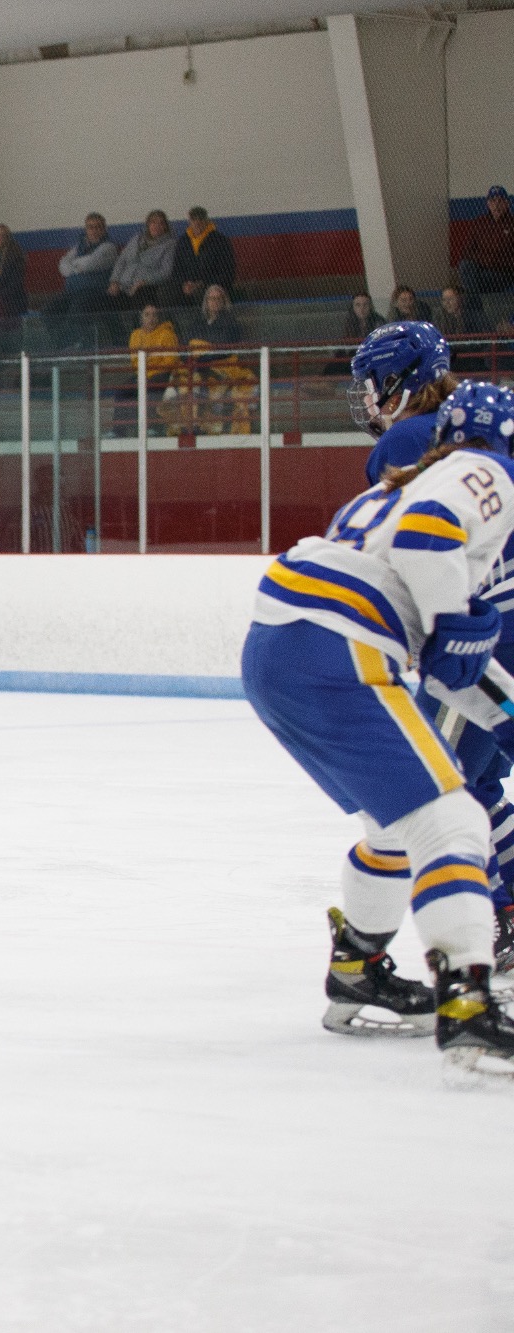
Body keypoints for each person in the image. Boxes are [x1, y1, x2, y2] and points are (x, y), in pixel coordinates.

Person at [241, 379, 514, 1072]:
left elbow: (449, 659)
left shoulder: (396, 485)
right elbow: (430, 545)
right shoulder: (489, 470)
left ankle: (358, 969)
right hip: (339, 640)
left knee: (394, 823)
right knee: (453, 820)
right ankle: (468, 1000)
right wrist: (456, 622)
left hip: (280, 643)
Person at [352, 321, 457, 483]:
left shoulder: (402, 438)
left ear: (391, 383)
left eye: (370, 386)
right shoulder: (463, 420)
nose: (367, 398)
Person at [46, 213, 118, 346]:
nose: (94, 230)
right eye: (91, 227)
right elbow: (63, 265)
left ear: (104, 229)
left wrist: (73, 267)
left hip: (96, 293)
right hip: (72, 292)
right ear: (86, 229)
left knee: (76, 309)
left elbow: (90, 264)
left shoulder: (109, 248)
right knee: (49, 310)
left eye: (98, 227)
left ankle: (72, 345)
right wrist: (76, 268)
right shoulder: (79, 246)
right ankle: (61, 344)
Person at [107, 210, 177, 314]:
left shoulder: (170, 245)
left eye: (161, 223)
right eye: (153, 222)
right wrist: (114, 281)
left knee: (140, 298)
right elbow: (121, 261)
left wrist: (144, 282)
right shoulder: (136, 239)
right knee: (105, 301)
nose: (156, 226)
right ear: (148, 224)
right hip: (123, 284)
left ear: (165, 226)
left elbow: (166, 272)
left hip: (146, 286)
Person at [457, 184, 514, 299]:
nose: (496, 205)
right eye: (493, 201)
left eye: (500, 201)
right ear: (488, 203)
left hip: (502, 274)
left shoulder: (512, 224)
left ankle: (473, 307)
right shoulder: (480, 222)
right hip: (479, 270)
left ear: (507, 203)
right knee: (466, 266)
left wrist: (488, 260)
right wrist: (486, 260)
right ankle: (475, 306)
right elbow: (467, 251)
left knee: (472, 281)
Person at [171, 206, 236, 306]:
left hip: (211, 285)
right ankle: (173, 321)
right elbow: (176, 269)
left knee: (203, 294)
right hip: (187, 285)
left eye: (200, 218)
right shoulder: (183, 241)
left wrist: (202, 284)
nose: (197, 222)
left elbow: (227, 272)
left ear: (207, 220)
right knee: (166, 293)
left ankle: (204, 321)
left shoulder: (220, 241)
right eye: (194, 219)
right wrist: (183, 284)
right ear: (189, 221)